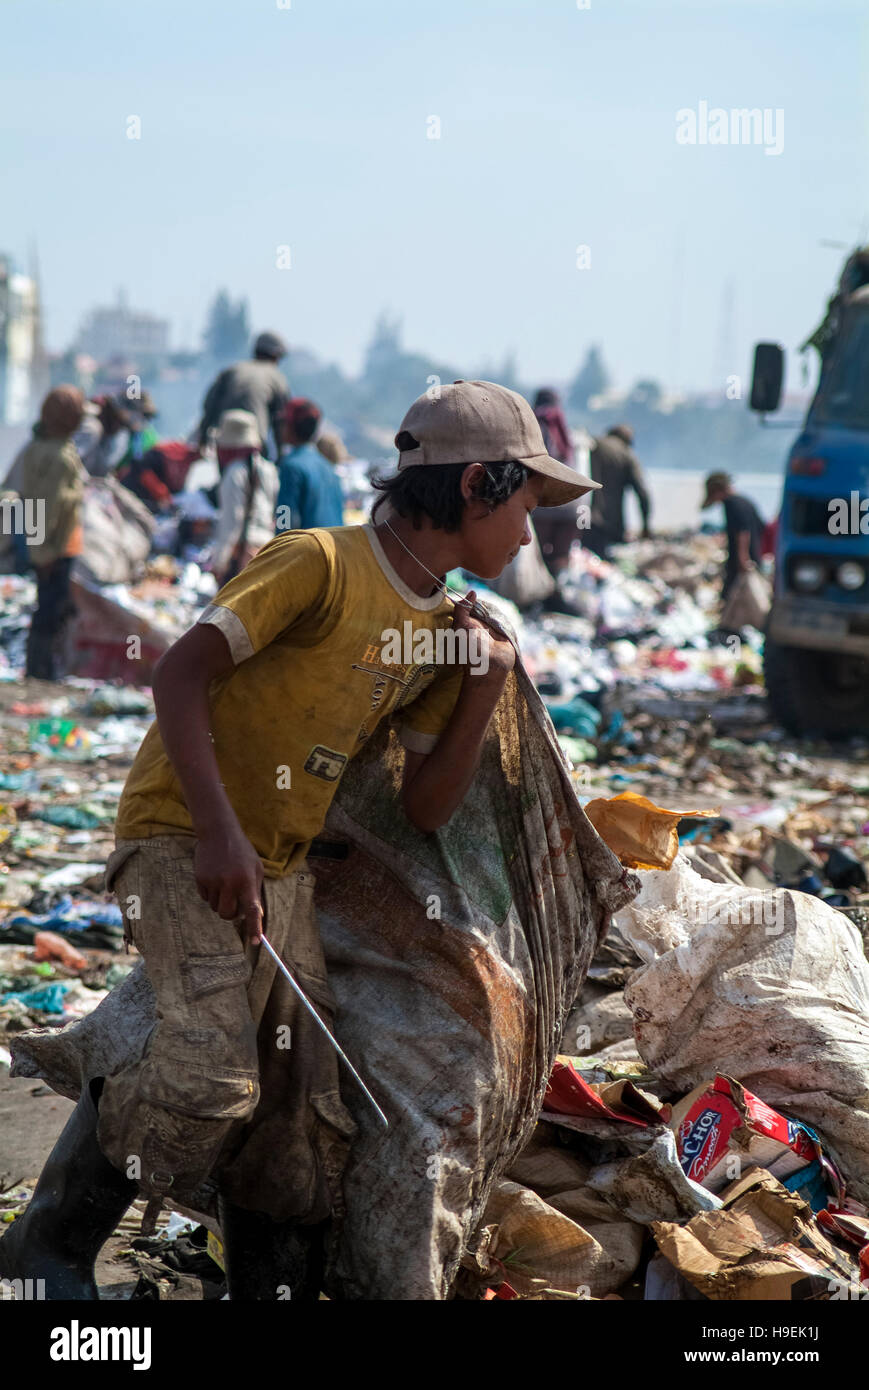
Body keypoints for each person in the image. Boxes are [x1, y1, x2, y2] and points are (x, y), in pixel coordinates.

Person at [0, 379, 597, 1301]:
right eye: (523, 504)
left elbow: (429, 808)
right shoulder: (318, 563)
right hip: (181, 837)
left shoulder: (448, 631)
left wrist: (484, 685)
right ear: (478, 484)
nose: (528, 533)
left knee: (298, 1119)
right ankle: (45, 1251)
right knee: (205, 1076)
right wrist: (219, 837)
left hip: (278, 869)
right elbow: (179, 674)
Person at [3, 386, 87, 679]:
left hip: (53, 544)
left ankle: (42, 667)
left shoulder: (42, 447)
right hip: (55, 547)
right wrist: (43, 554)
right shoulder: (57, 456)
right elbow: (44, 506)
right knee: (50, 610)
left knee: (50, 607)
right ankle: (40, 670)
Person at [209, 409, 279, 585]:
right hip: (266, 549)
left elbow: (232, 521)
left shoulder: (234, 473)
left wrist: (220, 562)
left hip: (243, 554)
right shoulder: (269, 469)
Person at [198, 331, 290, 457]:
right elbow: (281, 421)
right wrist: (281, 455)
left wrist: (203, 439)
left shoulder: (232, 370)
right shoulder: (277, 378)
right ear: (276, 356)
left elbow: (209, 406)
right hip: (254, 443)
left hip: (223, 441)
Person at [528, 387, 579, 580]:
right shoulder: (566, 431)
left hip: (544, 504)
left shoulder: (534, 427)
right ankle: (556, 593)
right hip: (572, 506)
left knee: (537, 555)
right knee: (560, 558)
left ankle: (541, 595)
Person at [275, 397, 345, 532]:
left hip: (309, 550)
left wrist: (278, 549)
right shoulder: (328, 467)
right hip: (335, 548)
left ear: (290, 426)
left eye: (283, 422)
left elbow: (285, 521)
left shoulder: (291, 466)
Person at [584, 424, 652, 559]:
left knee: (581, 559)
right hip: (607, 522)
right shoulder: (626, 454)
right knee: (602, 562)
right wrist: (645, 527)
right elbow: (642, 493)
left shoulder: (591, 445)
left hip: (582, 515)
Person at [701, 471, 765, 598]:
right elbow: (760, 527)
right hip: (754, 559)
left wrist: (743, 559)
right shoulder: (744, 501)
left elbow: (743, 531)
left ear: (717, 490)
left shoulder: (731, 504)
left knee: (732, 597)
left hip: (740, 564)